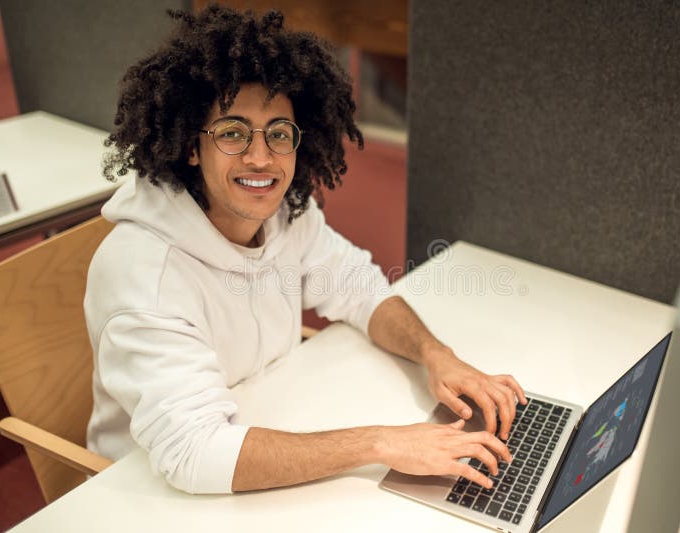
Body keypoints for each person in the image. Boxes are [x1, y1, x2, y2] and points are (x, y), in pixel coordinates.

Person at [85, 5, 526, 495]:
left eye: (278, 134)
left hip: (267, 420)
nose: (260, 157)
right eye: (232, 133)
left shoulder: (283, 213)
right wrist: (381, 443)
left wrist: (436, 354)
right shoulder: (143, 274)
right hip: (148, 493)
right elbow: (194, 453)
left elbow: (359, 288)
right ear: (192, 145)